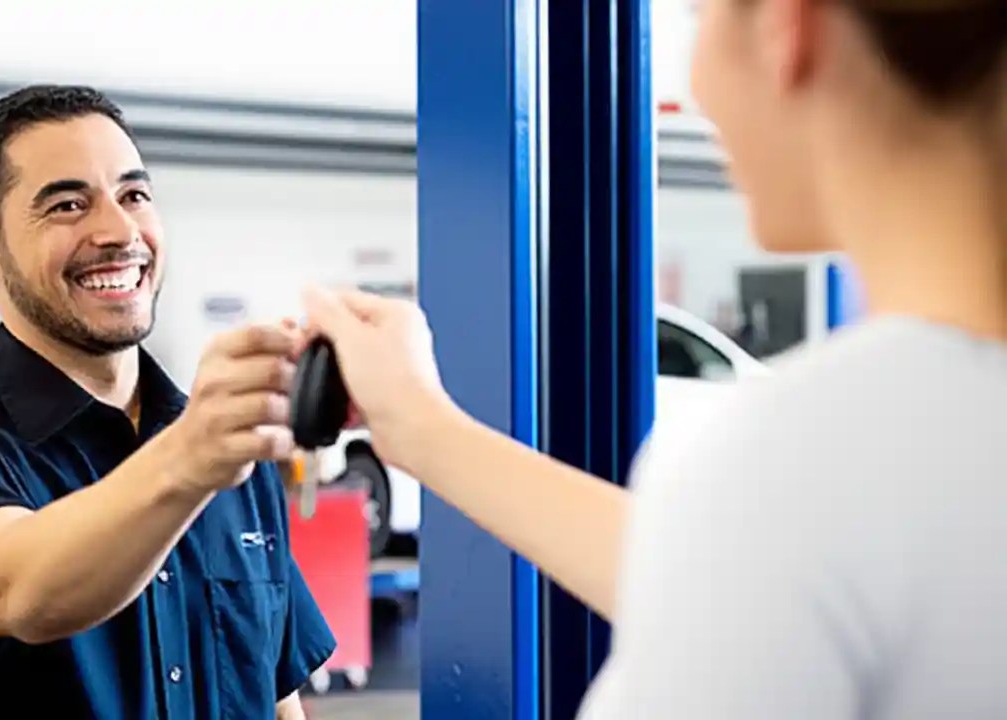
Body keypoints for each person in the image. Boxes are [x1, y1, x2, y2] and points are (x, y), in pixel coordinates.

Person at [301, 0, 1007, 717]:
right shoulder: (876, 475)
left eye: (701, 17)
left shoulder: (783, 466)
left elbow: (762, 568)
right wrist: (425, 432)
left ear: (787, 28)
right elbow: (737, 581)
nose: (695, 87)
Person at [0, 85, 334, 720]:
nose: (118, 231)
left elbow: (278, 701)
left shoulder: (228, 453)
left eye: (133, 195)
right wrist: (189, 458)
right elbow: (22, 591)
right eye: (67, 205)